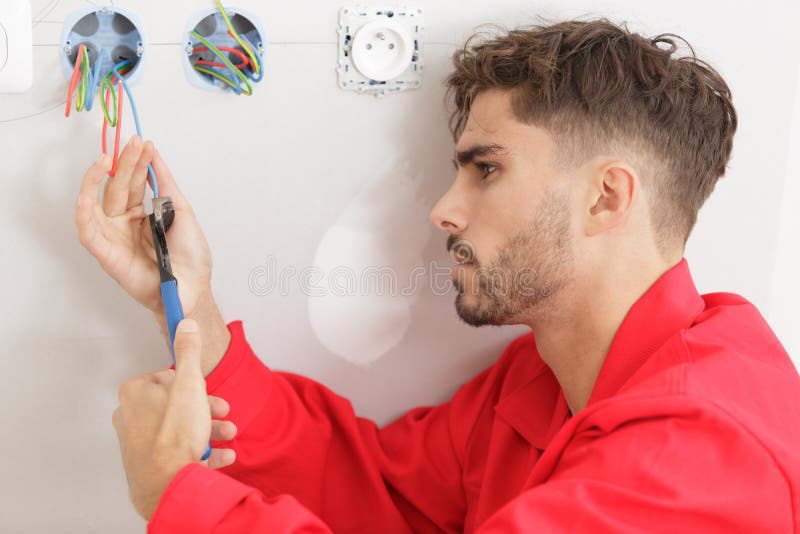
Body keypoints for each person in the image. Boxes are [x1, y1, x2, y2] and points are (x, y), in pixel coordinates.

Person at [75, 19, 800, 533]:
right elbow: (376, 495)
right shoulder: (539, 380)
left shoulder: (702, 460)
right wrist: (191, 303)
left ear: (606, 197)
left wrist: (176, 492)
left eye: (487, 169)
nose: (443, 211)